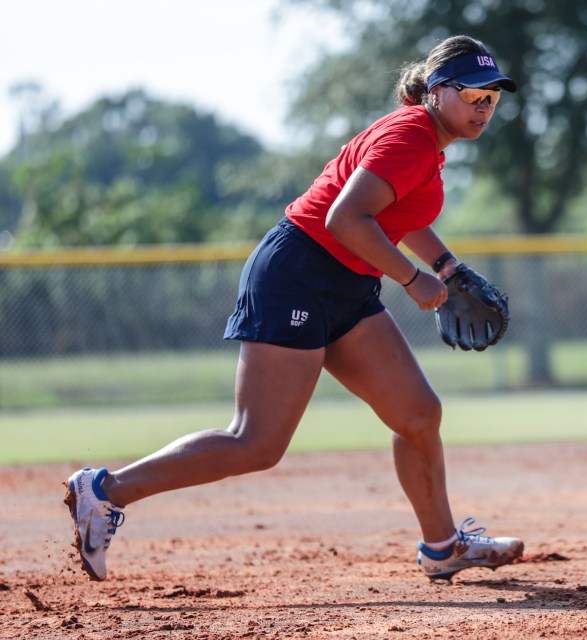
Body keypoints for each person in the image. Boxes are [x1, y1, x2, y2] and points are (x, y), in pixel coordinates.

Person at [63, 35, 524, 583]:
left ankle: (443, 546)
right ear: (438, 91)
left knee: (418, 415)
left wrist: (446, 267)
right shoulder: (410, 137)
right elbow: (346, 220)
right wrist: (412, 278)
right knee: (256, 441)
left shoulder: (423, 141)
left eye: (492, 99)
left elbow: (394, 211)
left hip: (344, 282)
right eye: (473, 95)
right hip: (299, 276)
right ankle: (103, 491)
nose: (484, 108)